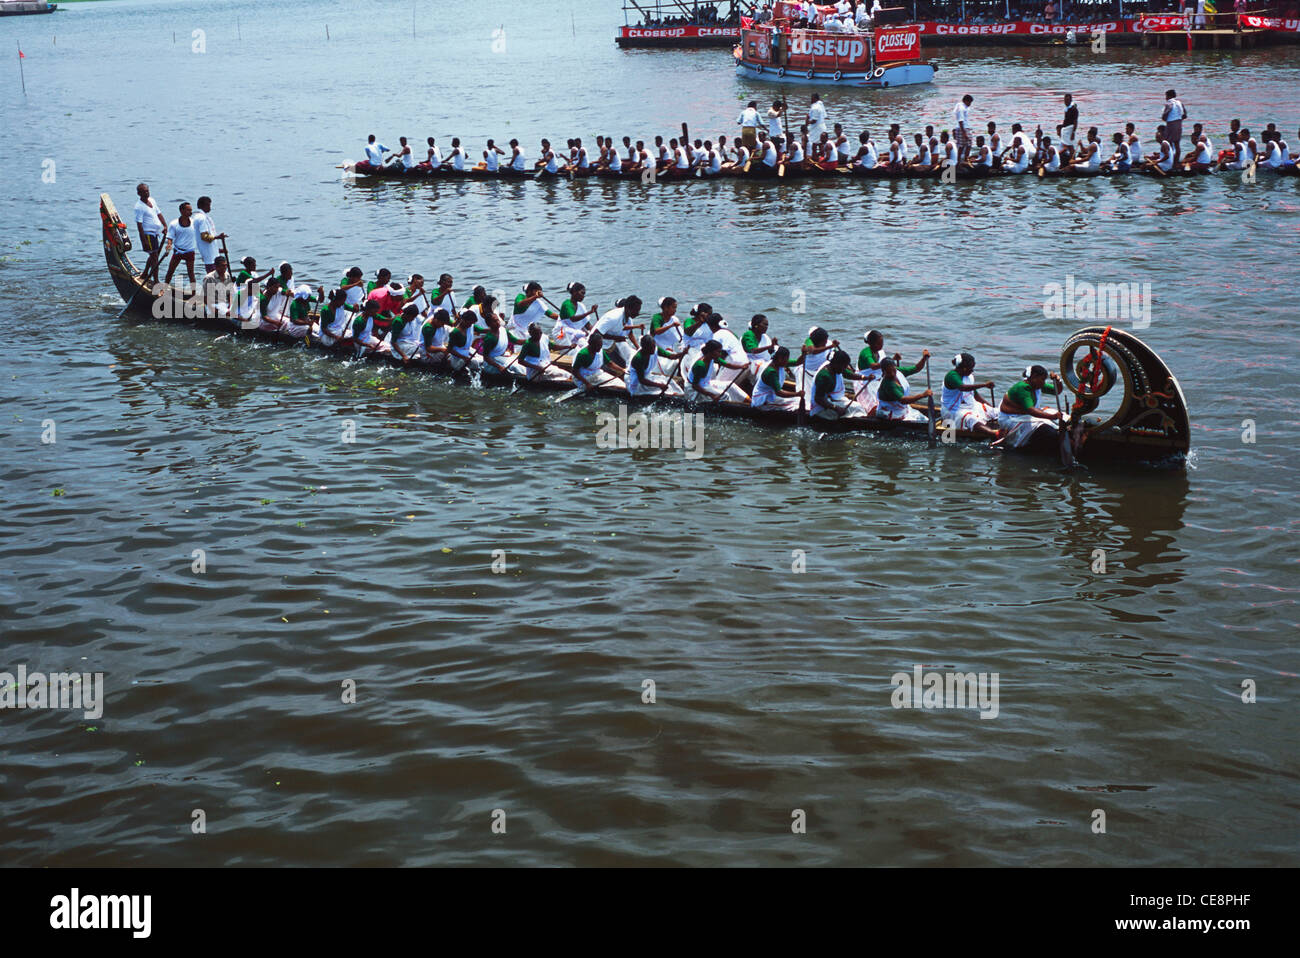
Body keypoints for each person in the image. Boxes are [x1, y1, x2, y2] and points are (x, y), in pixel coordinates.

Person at [996, 365, 1063, 448]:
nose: (1043, 382)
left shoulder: (1037, 385)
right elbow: (1031, 410)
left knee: (1057, 414)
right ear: (1034, 377)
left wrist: (1058, 380)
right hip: (1011, 419)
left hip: (1025, 415)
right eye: (1042, 379)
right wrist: (1053, 416)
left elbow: (1057, 391)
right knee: (1044, 425)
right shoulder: (1023, 388)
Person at [940, 353, 998, 438]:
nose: (972, 371)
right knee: (971, 419)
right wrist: (984, 385)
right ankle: (995, 434)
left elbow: (975, 395)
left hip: (970, 405)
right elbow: (963, 387)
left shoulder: (969, 377)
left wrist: (990, 407)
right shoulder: (952, 376)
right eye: (971, 369)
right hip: (954, 410)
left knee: (995, 412)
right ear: (963, 369)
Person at [811, 349, 870, 420]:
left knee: (858, 406)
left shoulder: (836, 368)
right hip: (820, 409)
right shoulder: (824, 376)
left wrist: (865, 377)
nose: (844, 369)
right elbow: (818, 399)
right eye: (844, 367)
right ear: (836, 363)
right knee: (857, 409)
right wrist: (836, 408)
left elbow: (849, 375)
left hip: (831, 401)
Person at [873, 357, 932, 422]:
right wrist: (923, 395)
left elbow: (916, 368)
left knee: (925, 419)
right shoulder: (888, 384)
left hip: (901, 409)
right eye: (889, 372)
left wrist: (924, 358)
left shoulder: (898, 371)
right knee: (923, 422)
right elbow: (903, 400)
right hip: (890, 413)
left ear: (895, 367)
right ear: (883, 372)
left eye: (893, 370)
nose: (892, 374)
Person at [133, 183, 168, 284]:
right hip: (147, 234)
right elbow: (139, 226)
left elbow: (158, 213)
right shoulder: (139, 207)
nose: (146, 193)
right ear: (139, 193)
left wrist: (165, 225)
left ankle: (144, 274)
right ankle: (156, 280)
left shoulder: (152, 200)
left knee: (154, 255)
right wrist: (144, 241)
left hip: (155, 233)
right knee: (155, 258)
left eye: (147, 191)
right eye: (143, 192)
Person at [750, 346, 804, 412]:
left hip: (771, 396)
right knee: (796, 404)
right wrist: (797, 394)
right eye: (786, 358)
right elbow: (779, 393)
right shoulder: (771, 372)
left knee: (798, 400)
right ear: (780, 359)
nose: (787, 361)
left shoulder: (779, 363)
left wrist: (803, 354)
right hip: (762, 401)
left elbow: (798, 362)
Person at [162, 201, 198, 287]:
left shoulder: (194, 223)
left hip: (189, 251)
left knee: (191, 274)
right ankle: (164, 289)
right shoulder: (174, 224)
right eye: (188, 210)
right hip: (178, 251)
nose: (191, 212)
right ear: (181, 211)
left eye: (191, 210)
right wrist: (169, 245)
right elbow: (170, 237)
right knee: (170, 271)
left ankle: (194, 294)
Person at [553, 281, 598, 347]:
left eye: (584, 294)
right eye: (582, 293)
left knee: (590, 346)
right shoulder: (567, 304)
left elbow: (587, 325)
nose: (583, 296)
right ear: (574, 292)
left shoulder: (581, 306)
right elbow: (573, 319)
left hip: (575, 333)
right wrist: (590, 312)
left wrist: (596, 332)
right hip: (562, 333)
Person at [192, 196, 227, 275]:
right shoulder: (201, 218)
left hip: (211, 252)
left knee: (216, 275)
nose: (210, 207)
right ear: (203, 206)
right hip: (209, 255)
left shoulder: (200, 217)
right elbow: (204, 237)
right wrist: (218, 237)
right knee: (214, 276)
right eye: (208, 205)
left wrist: (218, 250)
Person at [200, 256, 234, 320]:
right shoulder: (209, 278)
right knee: (230, 314)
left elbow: (230, 294)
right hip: (214, 304)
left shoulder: (227, 275)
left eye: (225, 265)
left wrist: (230, 305)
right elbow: (204, 297)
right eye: (222, 266)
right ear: (216, 267)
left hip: (225, 303)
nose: (225, 267)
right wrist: (213, 309)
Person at [1162, 89, 1187, 164]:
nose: (1165, 98)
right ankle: (1176, 162)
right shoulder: (1180, 102)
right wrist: (1179, 119)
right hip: (1179, 123)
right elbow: (1185, 114)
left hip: (1171, 124)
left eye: (1166, 96)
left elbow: (1168, 110)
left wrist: (1164, 117)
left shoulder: (1169, 103)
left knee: (1168, 142)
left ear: (1169, 96)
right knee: (1177, 143)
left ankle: (1169, 161)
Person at [954, 94, 973, 162]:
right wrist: (964, 133)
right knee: (962, 145)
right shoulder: (961, 108)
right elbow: (960, 121)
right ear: (966, 101)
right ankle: (960, 161)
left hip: (965, 128)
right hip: (962, 128)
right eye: (969, 102)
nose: (970, 104)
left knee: (967, 144)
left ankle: (964, 159)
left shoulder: (962, 106)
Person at [1059, 94, 1078, 159]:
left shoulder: (1073, 109)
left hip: (1070, 129)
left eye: (1067, 100)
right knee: (1067, 145)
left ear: (1070, 100)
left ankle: (1072, 159)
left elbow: (1075, 121)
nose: (1066, 102)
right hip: (1066, 129)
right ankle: (1071, 158)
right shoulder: (1067, 109)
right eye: (1065, 100)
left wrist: (1073, 132)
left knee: (1070, 146)